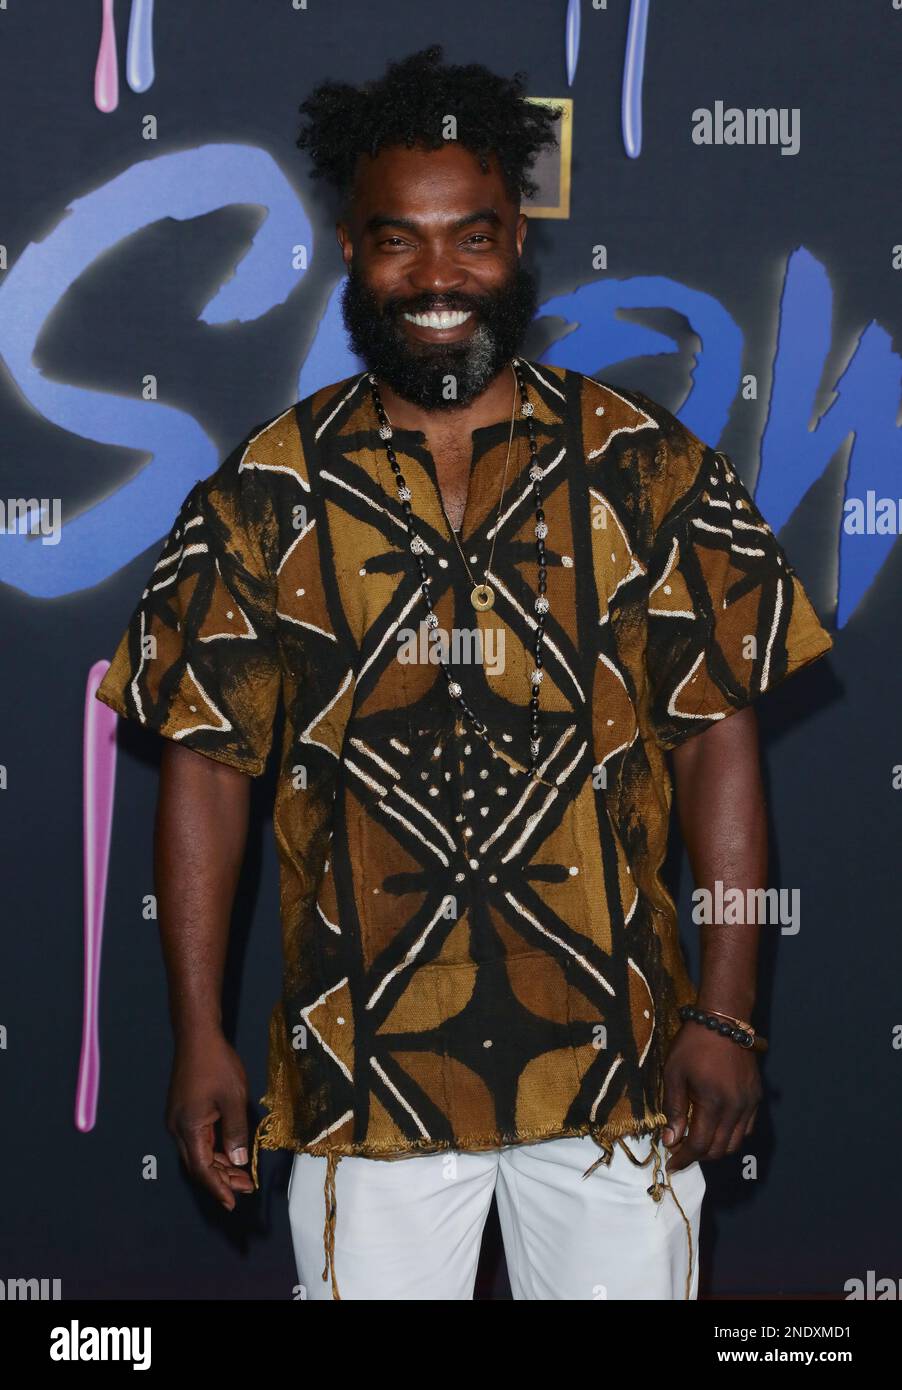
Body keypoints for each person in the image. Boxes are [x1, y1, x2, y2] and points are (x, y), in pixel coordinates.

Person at [95, 44, 833, 1301]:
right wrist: (201, 1034)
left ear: (517, 245)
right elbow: (207, 770)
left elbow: (716, 737)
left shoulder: (646, 470)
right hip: (358, 1077)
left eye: (472, 238)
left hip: (617, 1076)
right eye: (399, 242)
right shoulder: (264, 494)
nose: (438, 277)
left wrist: (723, 1010)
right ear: (348, 251)